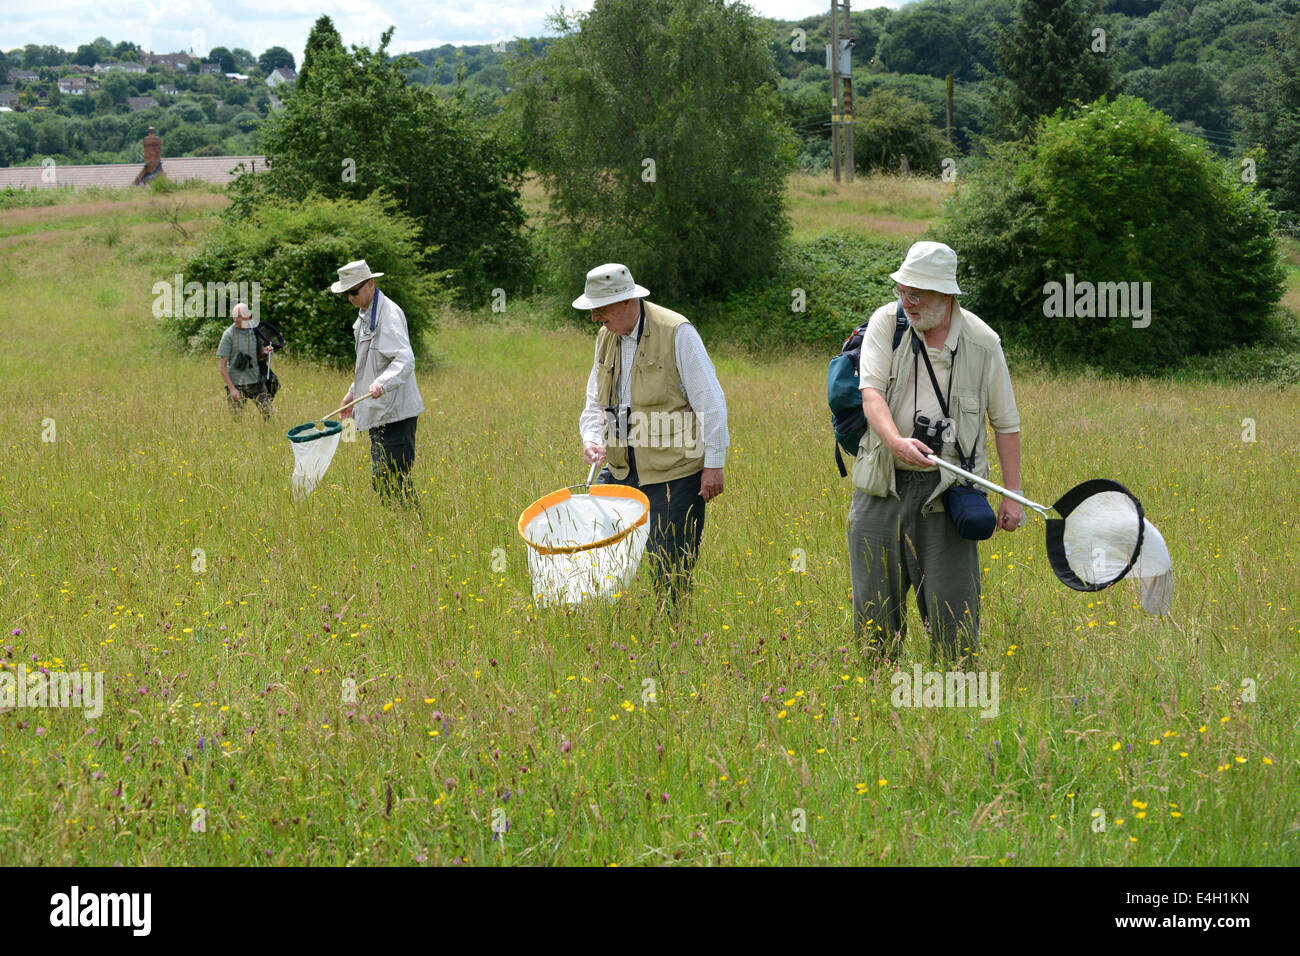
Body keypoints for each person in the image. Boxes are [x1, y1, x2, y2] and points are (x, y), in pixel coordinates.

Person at [848, 241, 1023, 665]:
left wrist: (1012, 494)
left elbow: (1006, 422)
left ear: (946, 296)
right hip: (882, 487)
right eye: (902, 291)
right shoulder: (886, 324)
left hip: (949, 493)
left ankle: (954, 705)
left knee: (955, 621)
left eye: (917, 294)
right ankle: (873, 702)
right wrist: (895, 443)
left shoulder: (984, 343)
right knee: (873, 618)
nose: (906, 301)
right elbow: (871, 394)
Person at [576, 263, 729, 605]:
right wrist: (592, 438)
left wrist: (714, 464)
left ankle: (672, 633)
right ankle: (610, 623)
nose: (595, 318)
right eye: (592, 310)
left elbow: (711, 402)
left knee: (670, 565)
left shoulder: (677, 332)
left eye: (600, 309)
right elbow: (596, 400)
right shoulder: (606, 337)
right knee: (596, 547)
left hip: (674, 473)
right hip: (619, 468)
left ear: (626, 300)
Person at [330, 260, 424, 504]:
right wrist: (352, 394)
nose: (350, 298)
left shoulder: (389, 314)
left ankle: (411, 528)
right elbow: (367, 365)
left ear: (370, 284)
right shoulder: (364, 315)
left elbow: (404, 360)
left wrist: (382, 384)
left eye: (353, 291)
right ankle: (404, 531)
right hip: (379, 413)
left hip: (397, 413)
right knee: (387, 480)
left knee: (389, 478)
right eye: (346, 294)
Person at [217, 302, 274, 419]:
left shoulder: (255, 331)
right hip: (237, 384)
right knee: (236, 421)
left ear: (247, 316)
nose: (235, 319)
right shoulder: (228, 335)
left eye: (239, 316)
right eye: (234, 316)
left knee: (269, 416)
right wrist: (232, 389)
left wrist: (264, 352)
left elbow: (258, 357)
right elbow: (222, 366)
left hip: (257, 382)